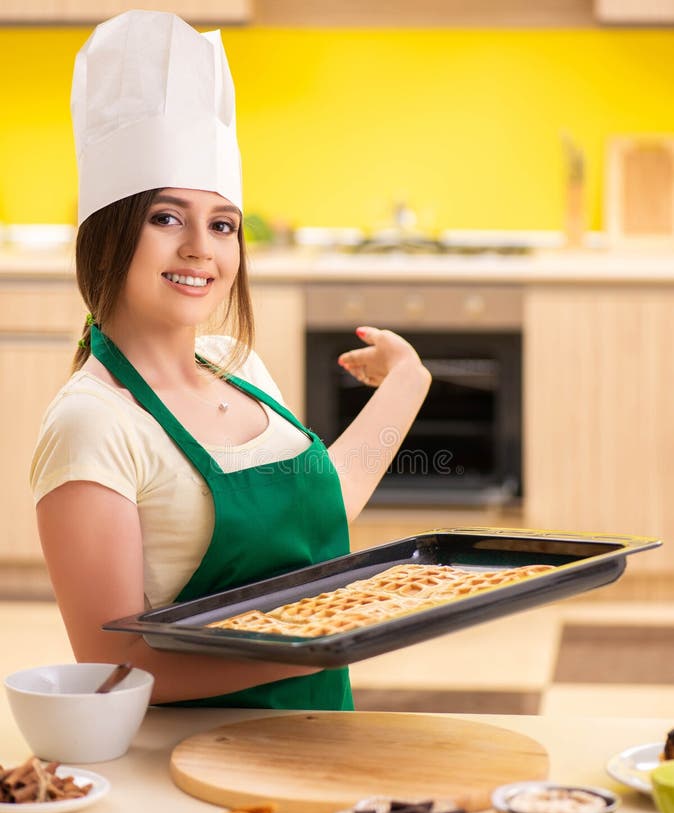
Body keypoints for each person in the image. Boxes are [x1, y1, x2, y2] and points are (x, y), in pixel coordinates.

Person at [30, 11, 431, 709]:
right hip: (195, 755)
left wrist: (408, 381)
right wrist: (324, 645)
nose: (200, 248)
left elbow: (319, 509)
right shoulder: (92, 423)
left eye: (222, 225)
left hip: (318, 734)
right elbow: (116, 665)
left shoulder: (235, 365)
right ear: (108, 234)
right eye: (166, 218)